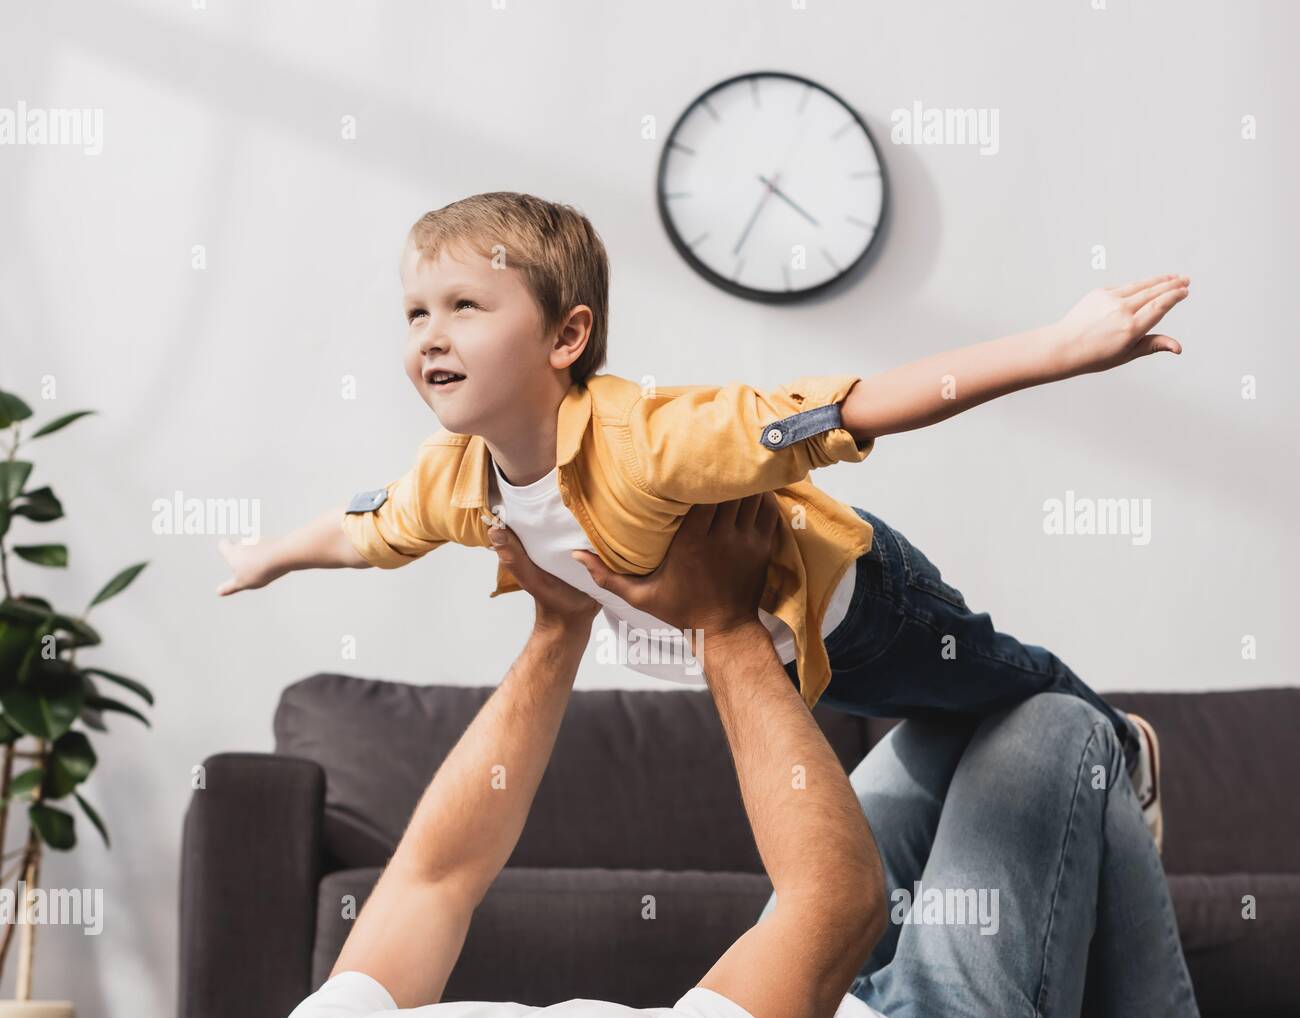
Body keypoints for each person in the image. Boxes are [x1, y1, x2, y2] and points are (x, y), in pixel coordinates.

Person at [27, 501, 1292, 1018]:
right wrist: (726, 626)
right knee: (1051, 731)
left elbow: (431, 875)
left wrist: (553, 631)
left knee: (961, 716)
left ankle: (1103, 824)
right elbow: (833, 902)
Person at [215, 190, 1174, 849]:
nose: (430, 334)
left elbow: (854, 406)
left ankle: (1123, 742)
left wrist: (1059, 347)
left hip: (866, 603)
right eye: (416, 312)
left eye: (465, 305)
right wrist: (272, 557)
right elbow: (363, 532)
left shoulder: (656, 438)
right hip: (792, 669)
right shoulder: (458, 478)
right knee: (952, 728)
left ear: (567, 336)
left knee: (1002, 685)